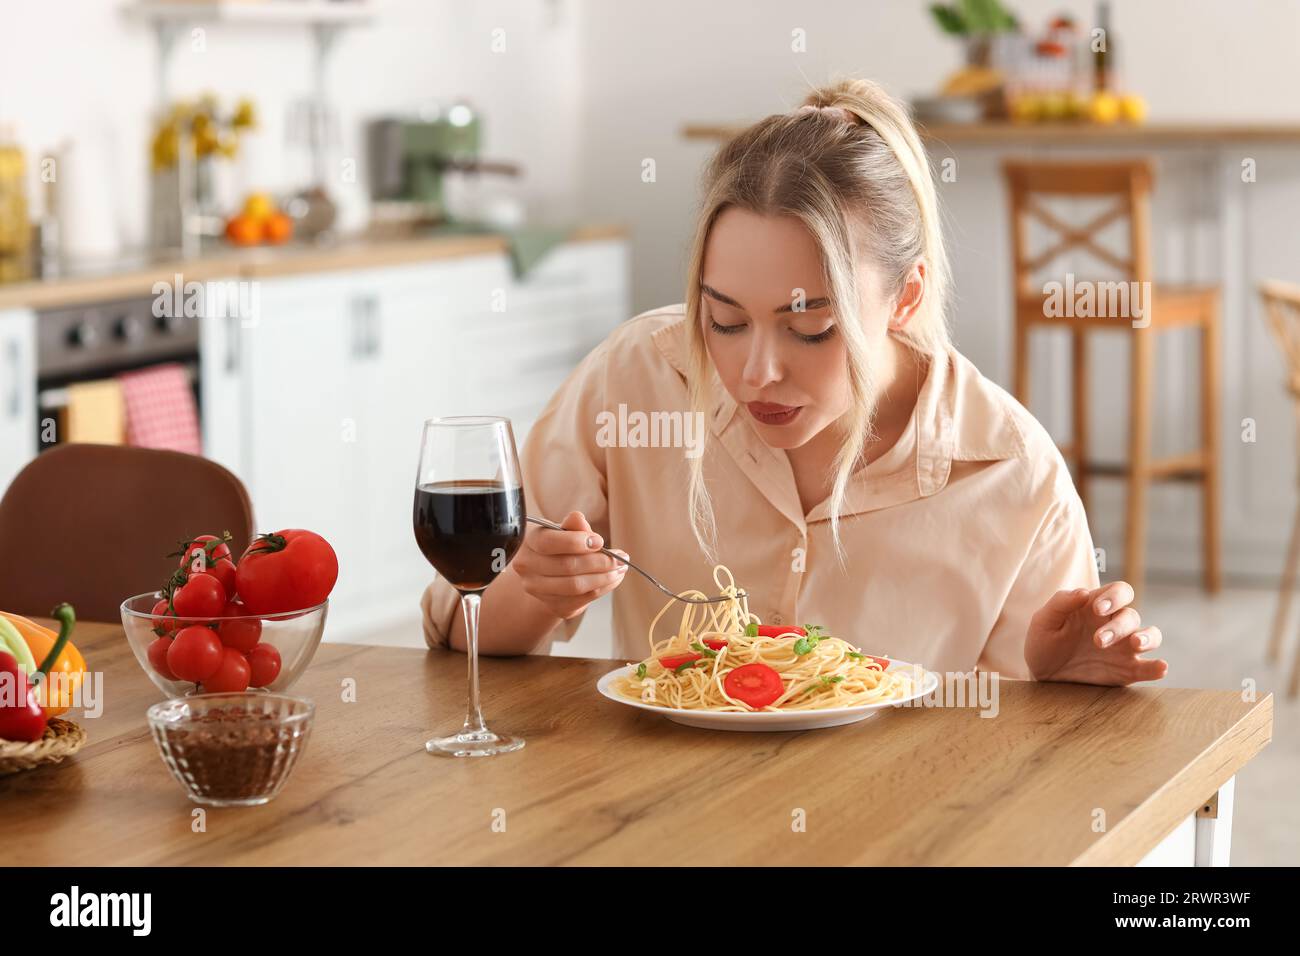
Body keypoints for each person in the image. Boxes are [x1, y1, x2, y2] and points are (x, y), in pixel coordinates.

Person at [421, 77, 1168, 685]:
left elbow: (1031, 790)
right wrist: (531, 591)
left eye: (810, 328)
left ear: (905, 298)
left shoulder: (1009, 471)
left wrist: (1056, 684)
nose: (756, 371)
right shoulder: (635, 377)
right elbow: (465, 635)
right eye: (725, 320)